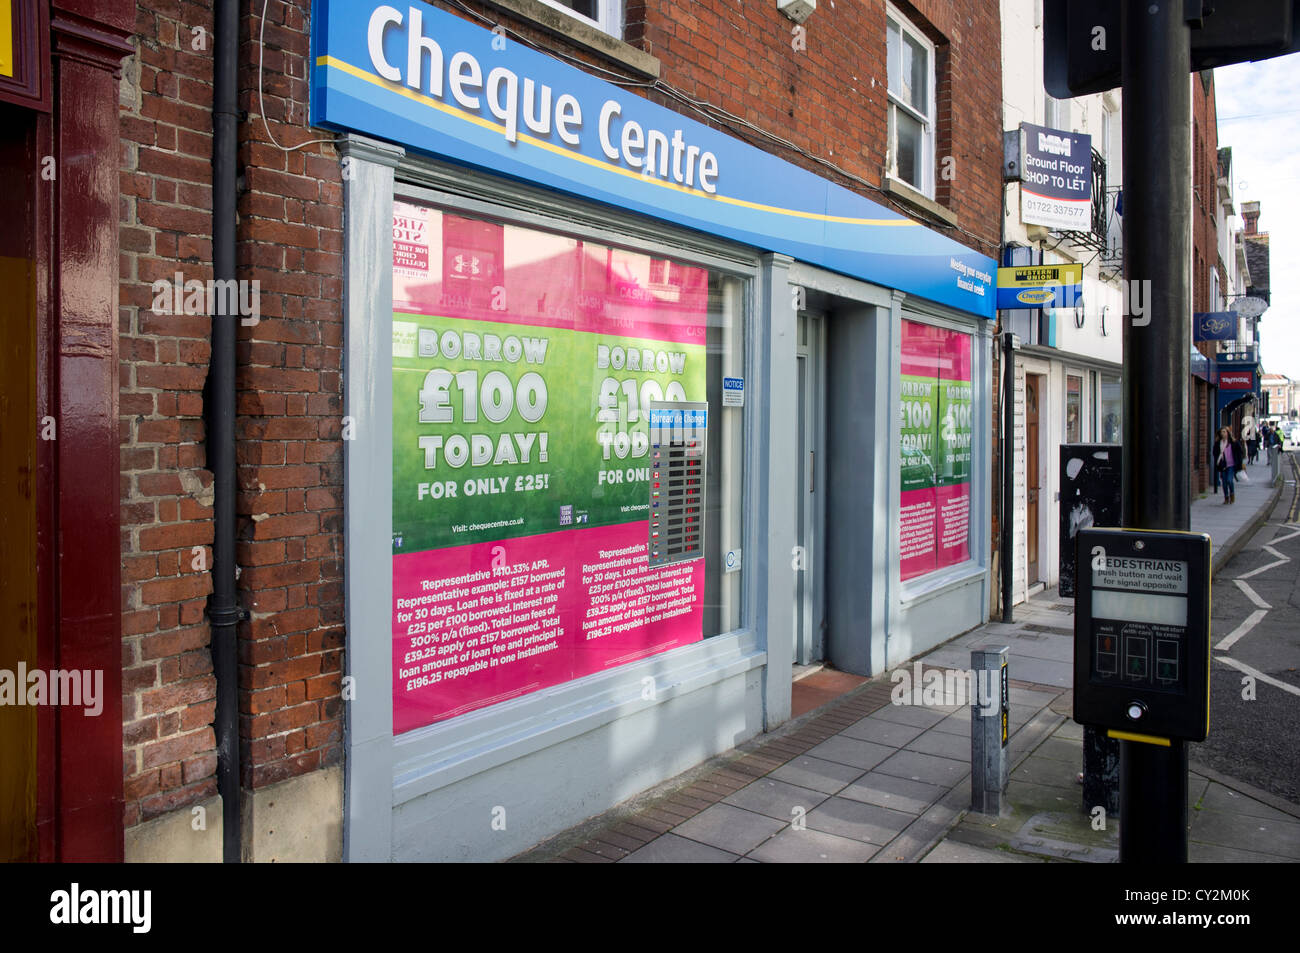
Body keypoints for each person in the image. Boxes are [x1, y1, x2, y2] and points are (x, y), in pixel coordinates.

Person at [1215, 427, 1245, 503]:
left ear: (1228, 433)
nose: (1223, 433)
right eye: (1222, 432)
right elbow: (1214, 453)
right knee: (1224, 483)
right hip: (1223, 465)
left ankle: (1232, 494)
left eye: (1224, 432)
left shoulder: (1234, 442)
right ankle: (1226, 497)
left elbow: (1240, 453)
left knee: (1229, 480)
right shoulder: (1218, 443)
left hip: (1231, 465)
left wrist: (1239, 463)